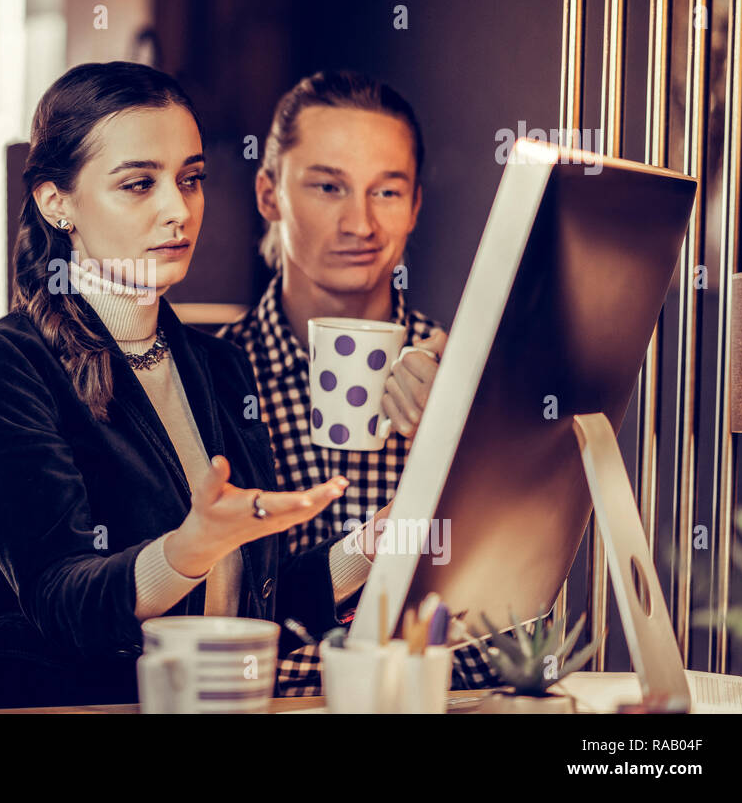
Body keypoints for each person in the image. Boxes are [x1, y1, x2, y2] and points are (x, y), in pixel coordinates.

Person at [0, 61, 388, 710]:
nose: (178, 209)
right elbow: (62, 603)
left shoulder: (220, 365)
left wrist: (373, 544)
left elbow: (246, 600)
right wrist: (189, 549)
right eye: (138, 184)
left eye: (191, 179)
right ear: (54, 200)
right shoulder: (0, 367)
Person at [219, 70, 519, 692]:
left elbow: (507, 639)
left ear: (414, 206)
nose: (361, 224)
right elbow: (216, 635)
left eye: (387, 192)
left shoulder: (469, 381)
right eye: (329, 186)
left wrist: (465, 429)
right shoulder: (211, 381)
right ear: (269, 194)